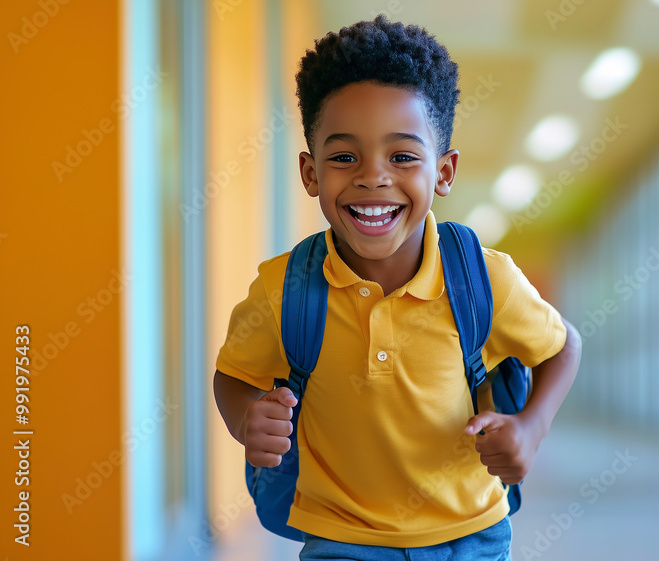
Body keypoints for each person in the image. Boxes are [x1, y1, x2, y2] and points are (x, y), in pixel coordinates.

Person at [213, 15, 581, 561]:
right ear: (311, 174)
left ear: (444, 172)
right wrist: (246, 417)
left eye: (403, 156)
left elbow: (562, 345)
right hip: (340, 539)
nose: (372, 176)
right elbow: (232, 375)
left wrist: (531, 426)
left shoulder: (484, 278)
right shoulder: (282, 289)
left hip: (471, 536)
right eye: (343, 157)